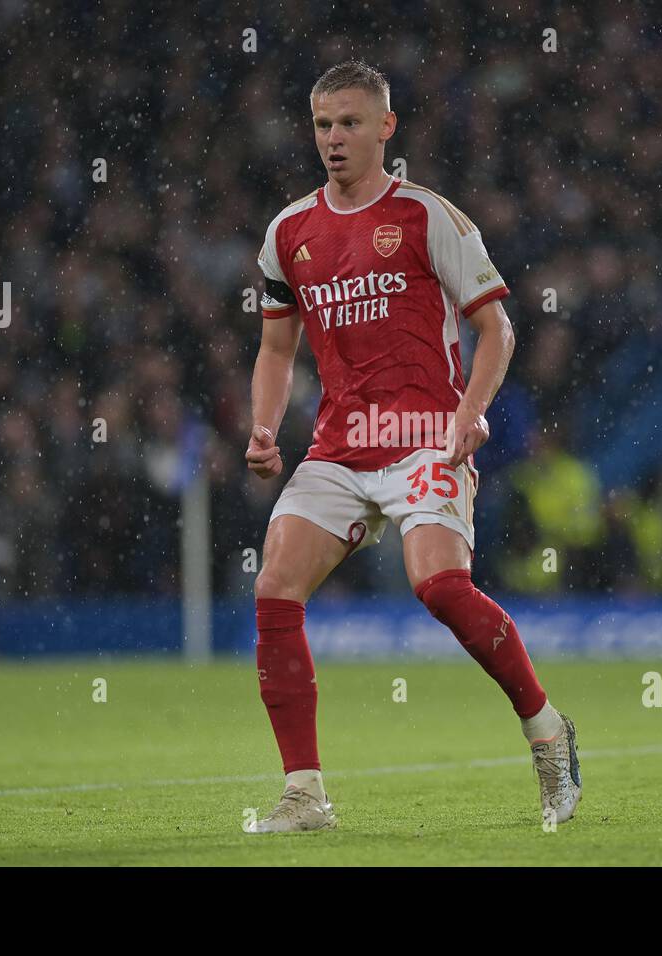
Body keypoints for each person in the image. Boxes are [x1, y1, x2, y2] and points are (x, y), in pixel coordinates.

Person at [243, 60, 580, 832]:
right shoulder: (288, 233)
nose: (334, 138)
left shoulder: (431, 217)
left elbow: (497, 328)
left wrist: (470, 412)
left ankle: (547, 731)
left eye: (351, 122)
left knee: (438, 587)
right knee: (274, 591)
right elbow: (273, 348)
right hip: (338, 445)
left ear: (386, 128)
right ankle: (304, 794)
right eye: (324, 123)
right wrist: (264, 425)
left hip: (428, 439)